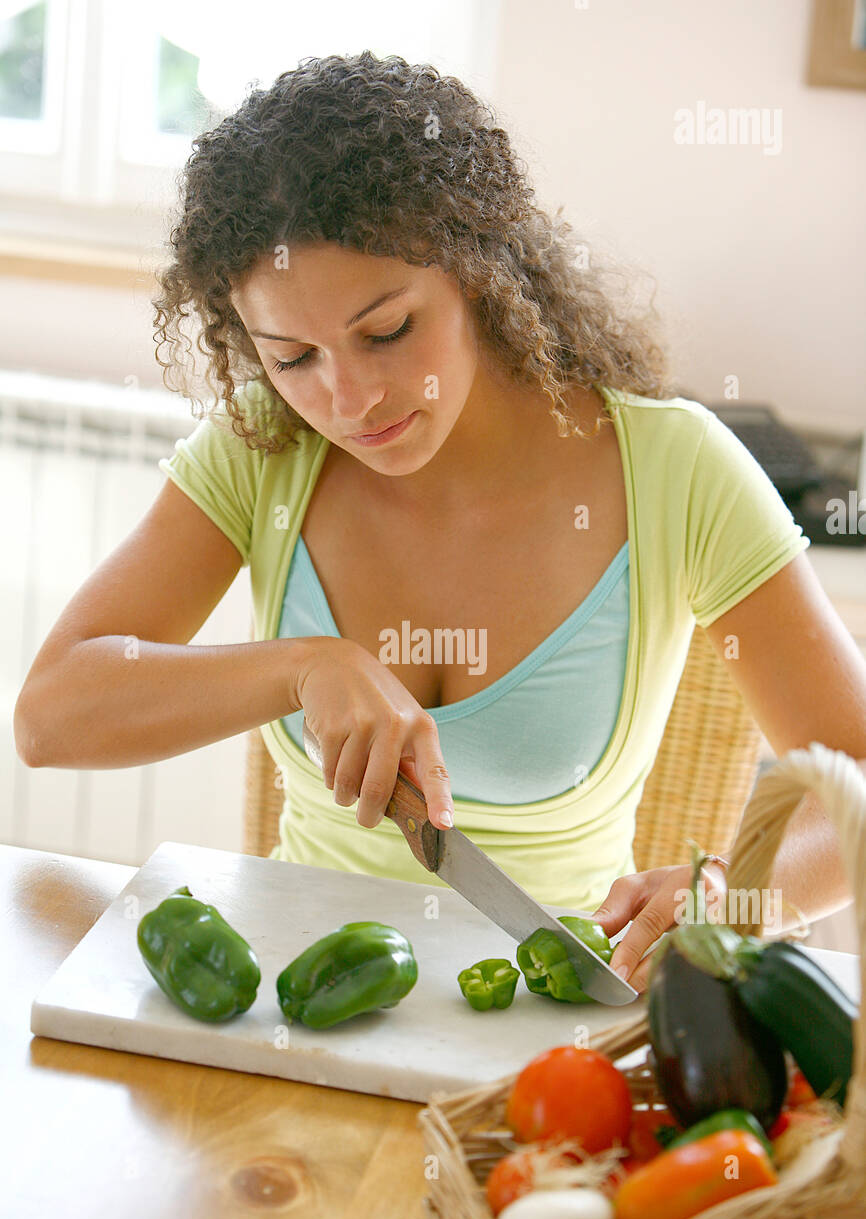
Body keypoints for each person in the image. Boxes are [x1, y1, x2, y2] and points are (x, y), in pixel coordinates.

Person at [14, 53, 866, 994]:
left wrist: (737, 895)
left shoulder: (674, 471)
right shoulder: (264, 450)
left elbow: (857, 781)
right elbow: (52, 718)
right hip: (309, 1013)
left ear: (481, 272)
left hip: (550, 1039)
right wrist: (304, 666)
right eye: (293, 357)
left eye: (387, 332)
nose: (350, 399)